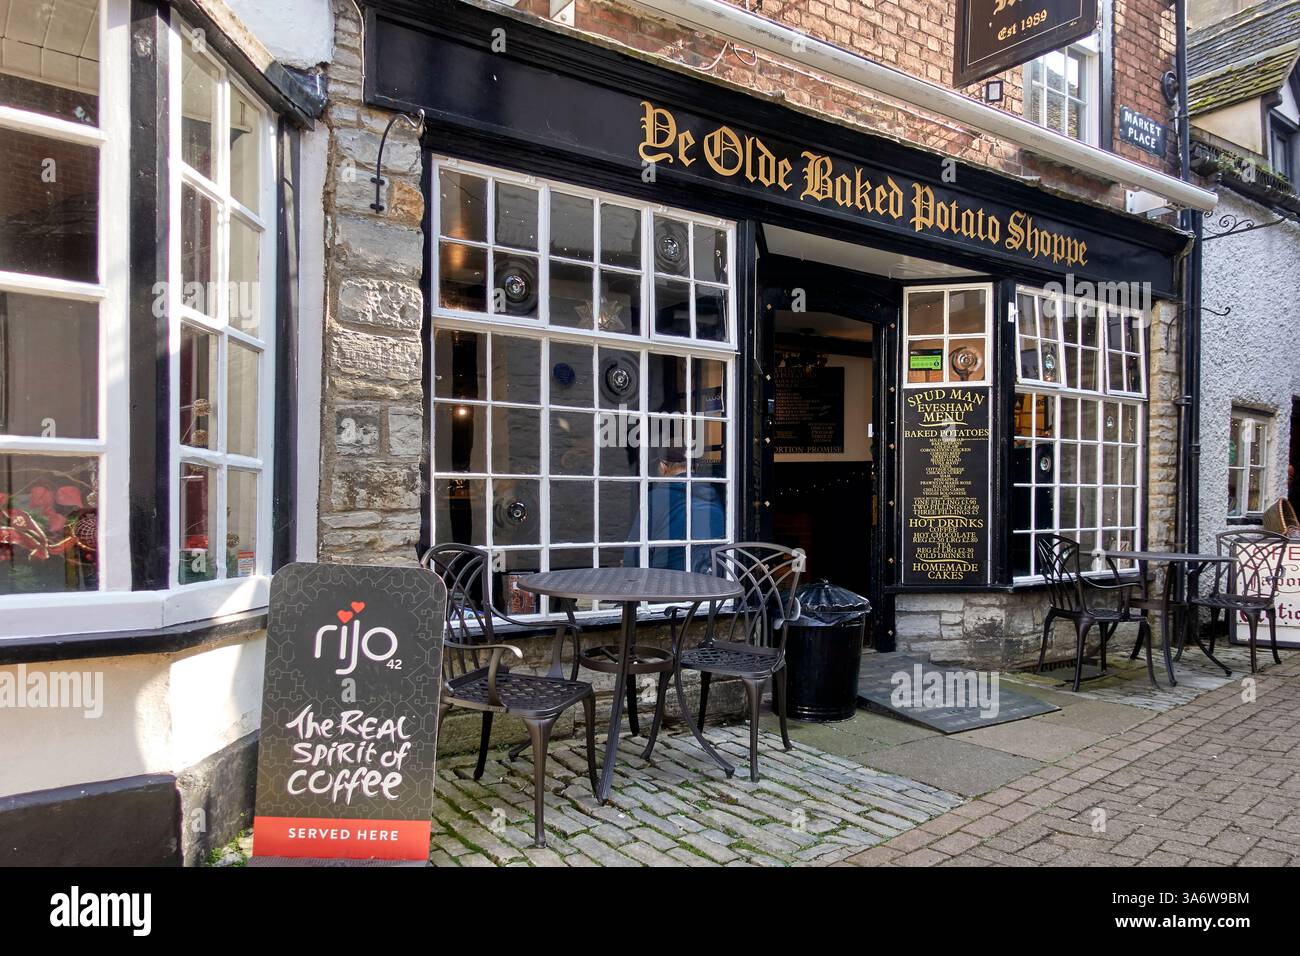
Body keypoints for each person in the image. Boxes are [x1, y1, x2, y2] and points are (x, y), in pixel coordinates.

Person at [623, 446, 725, 571]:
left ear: (663, 466)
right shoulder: (714, 496)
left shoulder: (657, 498)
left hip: (668, 583)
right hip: (713, 582)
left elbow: (633, 554)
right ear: (696, 467)